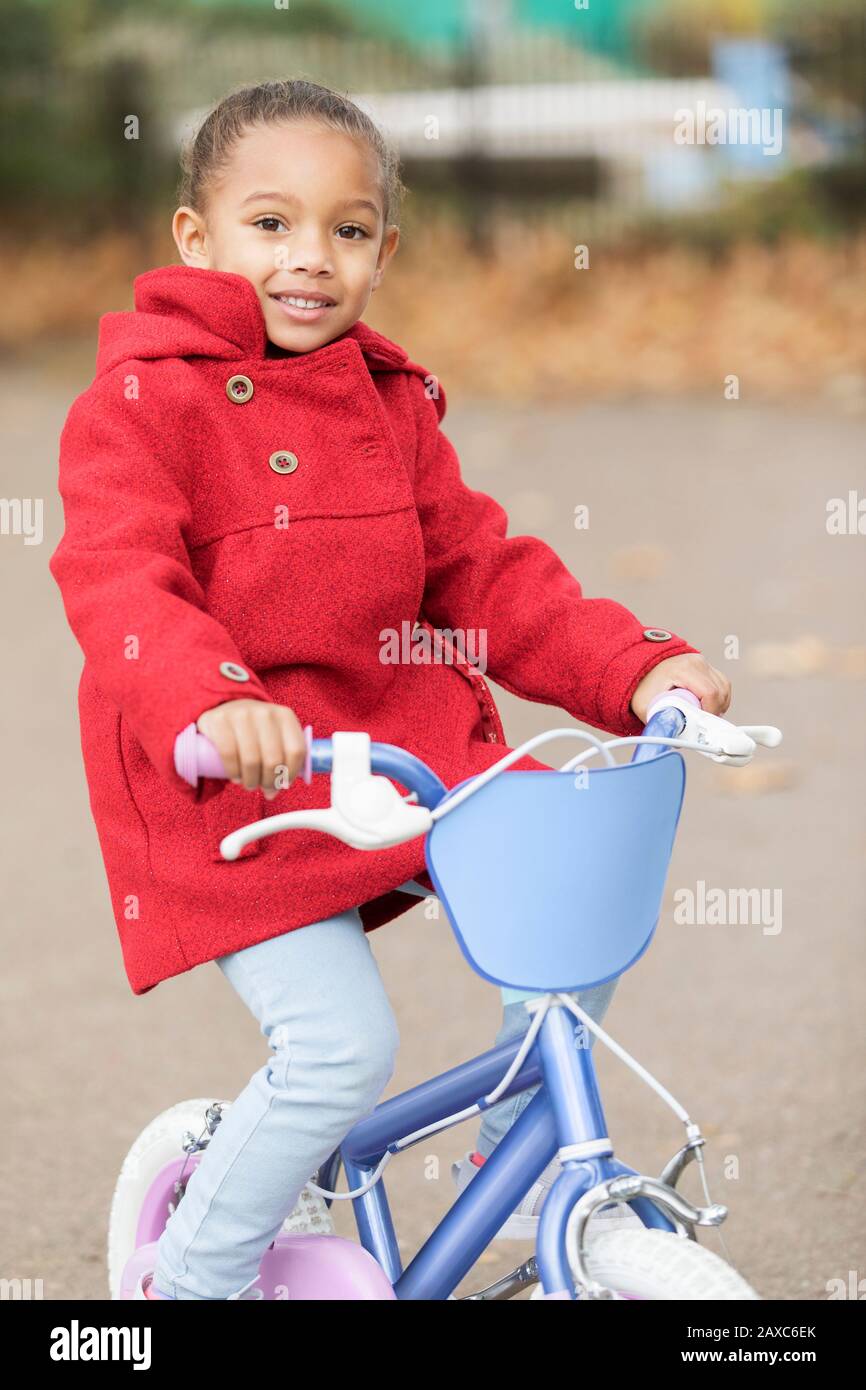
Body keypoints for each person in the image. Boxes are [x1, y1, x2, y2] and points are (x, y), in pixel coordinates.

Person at [48, 79, 730, 1300]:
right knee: (338, 1047)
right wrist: (212, 697)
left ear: (384, 250)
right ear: (195, 239)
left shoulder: (388, 398)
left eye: (346, 230)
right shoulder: (143, 402)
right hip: (241, 785)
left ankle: (518, 1164)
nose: (309, 259)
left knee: (568, 922)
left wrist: (635, 668)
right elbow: (117, 576)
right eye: (270, 224)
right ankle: (188, 1287)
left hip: (397, 756)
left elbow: (487, 578)